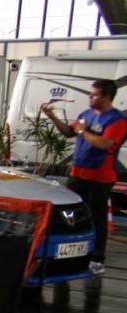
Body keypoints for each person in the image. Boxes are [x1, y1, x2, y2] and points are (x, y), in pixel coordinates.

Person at [40, 79, 125, 277]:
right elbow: (68, 132)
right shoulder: (85, 115)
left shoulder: (117, 120)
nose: (90, 97)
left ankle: (96, 258)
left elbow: (104, 144)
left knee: (97, 218)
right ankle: (66, 253)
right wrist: (52, 117)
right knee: (68, 215)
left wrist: (81, 130)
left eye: (94, 94)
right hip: (77, 173)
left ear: (105, 97)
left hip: (100, 177)